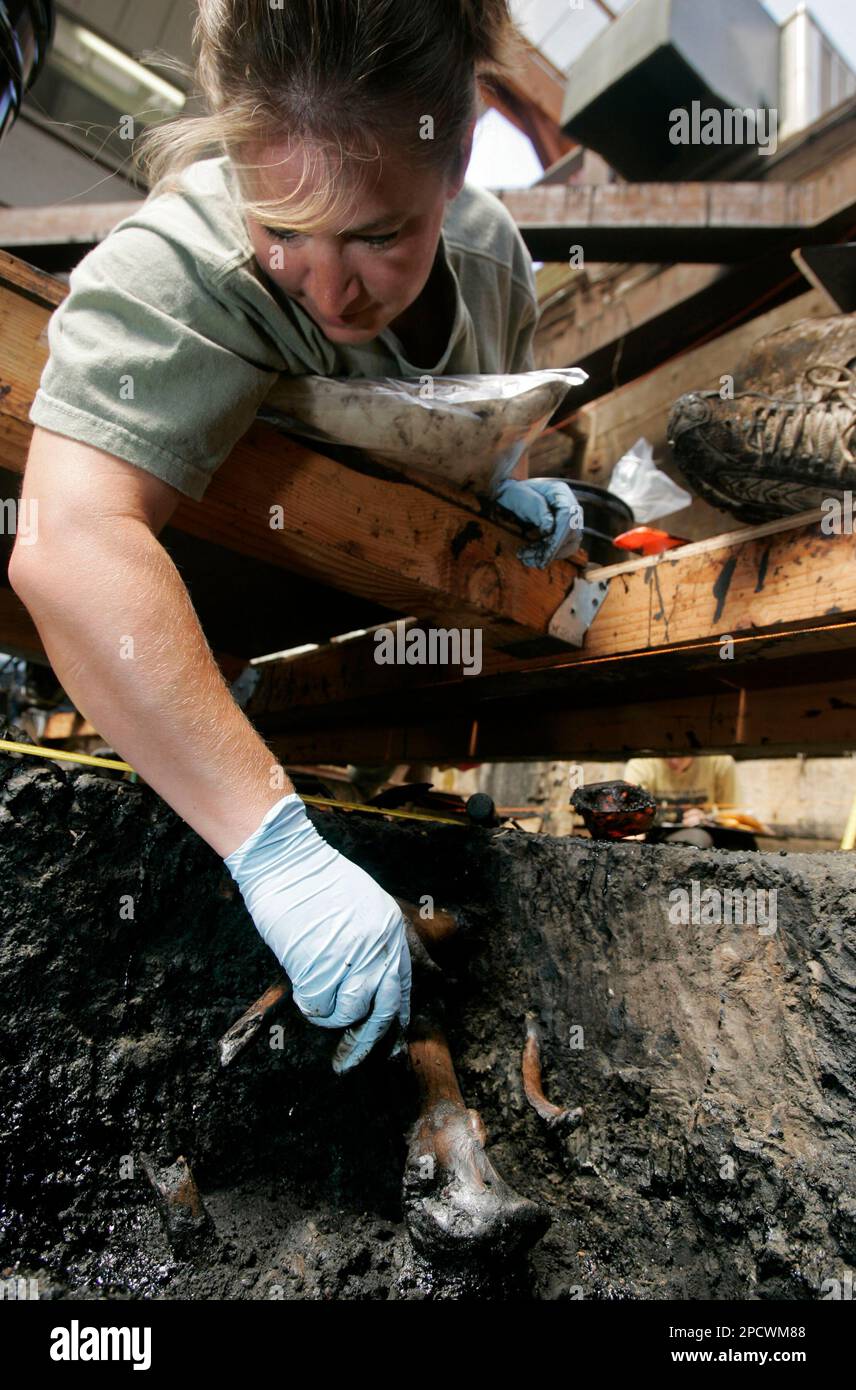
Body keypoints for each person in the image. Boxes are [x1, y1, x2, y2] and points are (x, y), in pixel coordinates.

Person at [10, 0, 568, 1074]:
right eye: (281, 231)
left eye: (377, 236)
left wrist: (510, 482)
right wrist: (274, 849)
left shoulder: (495, 262)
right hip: (185, 611)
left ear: (453, 165)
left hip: (361, 615)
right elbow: (68, 539)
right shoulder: (175, 264)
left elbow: (496, 424)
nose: (326, 287)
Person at [623, 754, 738, 849]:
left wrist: (708, 818)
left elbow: (731, 817)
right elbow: (630, 815)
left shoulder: (718, 760)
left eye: (682, 756)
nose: (675, 761)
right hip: (653, 833)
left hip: (700, 834)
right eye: (668, 754)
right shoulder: (642, 763)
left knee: (700, 838)